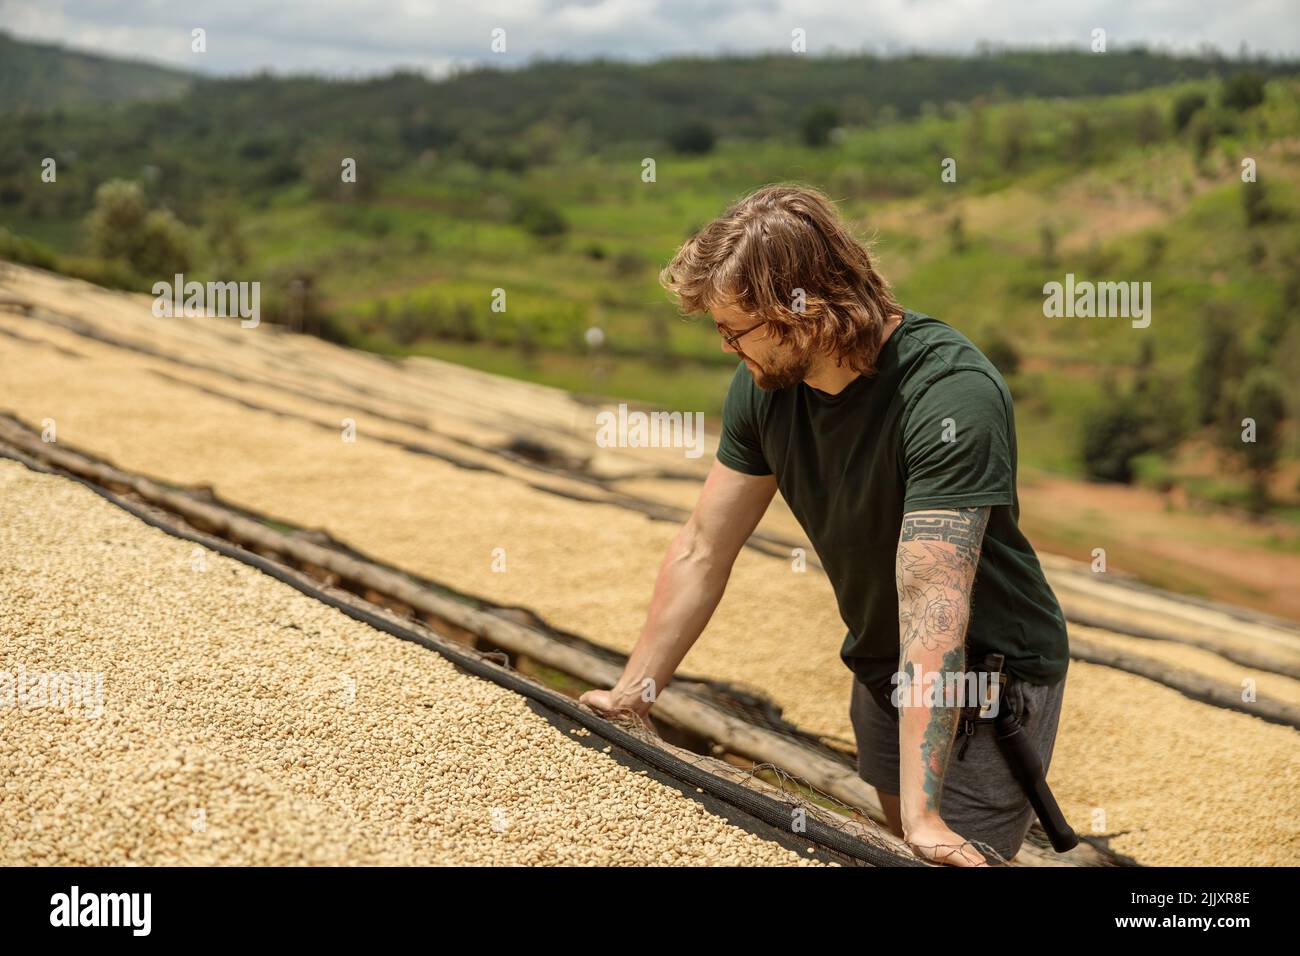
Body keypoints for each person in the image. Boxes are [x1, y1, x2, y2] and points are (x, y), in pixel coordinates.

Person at [580, 183, 1069, 867]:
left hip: (985, 684)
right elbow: (702, 548)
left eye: (734, 329)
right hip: (878, 660)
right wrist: (634, 694)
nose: (726, 348)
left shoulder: (949, 393)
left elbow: (934, 601)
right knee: (899, 849)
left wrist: (928, 815)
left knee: (940, 853)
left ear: (803, 312)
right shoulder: (765, 386)